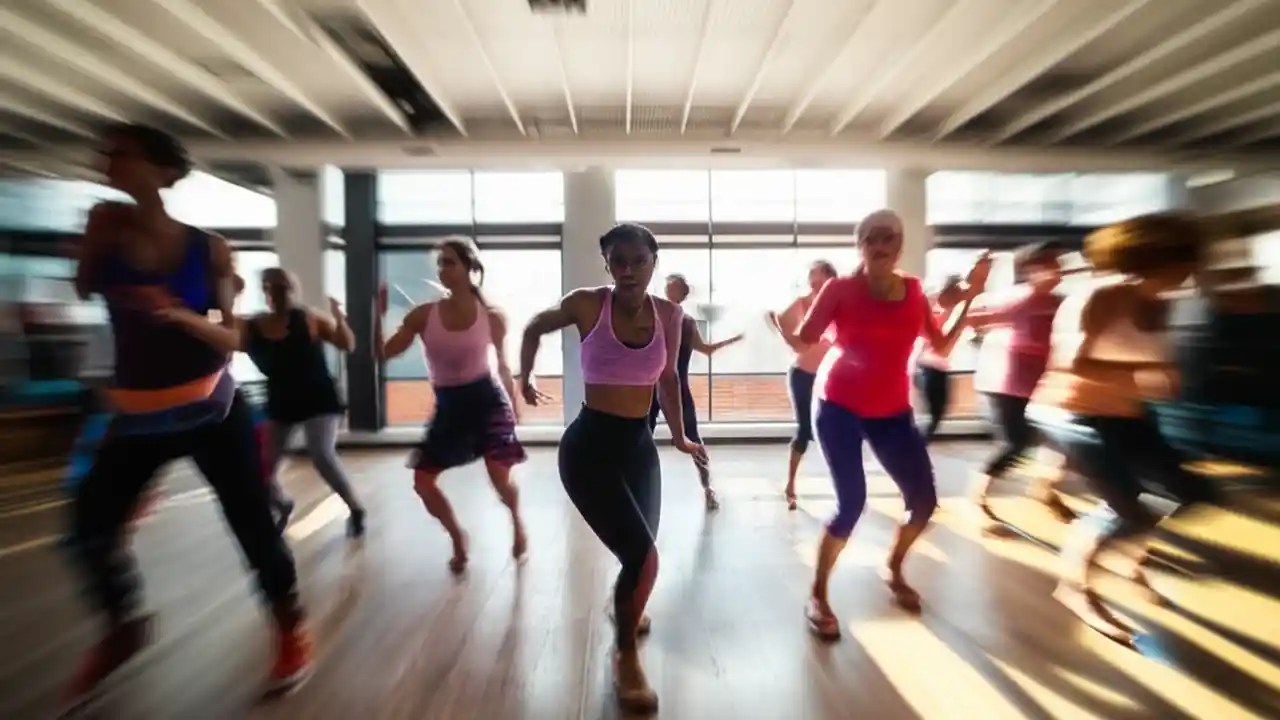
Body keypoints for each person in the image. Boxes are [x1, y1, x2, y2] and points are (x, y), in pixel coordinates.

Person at [65, 124, 309, 705]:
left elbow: (231, 338)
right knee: (89, 530)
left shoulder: (209, 248)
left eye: (119, 153)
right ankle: (124, 626)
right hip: (138, 416)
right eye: (106, 153)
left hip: (210, 410)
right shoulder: (105, 227)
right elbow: (81, 288)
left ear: (159, 168)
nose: (106, 161)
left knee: (253, 526)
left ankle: (290, 629)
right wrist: (93, 242)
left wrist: (176, 314)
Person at [519, 223, 707, 713]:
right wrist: (525, 374)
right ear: (607, 264)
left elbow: (667, 380)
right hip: (589, 448)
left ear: (653, 262)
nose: (627, 269)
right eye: (617, 260)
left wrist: (681, 435)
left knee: (638, 554)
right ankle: (625, 656)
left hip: (638, 448)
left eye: (637, 260)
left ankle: (623, 606)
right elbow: (534, 326)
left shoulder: (669, 314)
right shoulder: (588, 303)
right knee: (645, 559)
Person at [776, 210, 990, 637]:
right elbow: (805, 337)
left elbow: (943, 344)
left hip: (892, 411)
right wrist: (796, 318)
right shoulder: (839, 289)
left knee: (924, 500)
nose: (879, 244)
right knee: (851, 503)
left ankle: (893, 567)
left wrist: (971, 296)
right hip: (838, 406)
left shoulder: (914, 291)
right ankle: (818, 593)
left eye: (887, 237)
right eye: (869, 238)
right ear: (860, 245)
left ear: (899, 245)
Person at [1028, 213, 1215, 644]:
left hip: (1126, 416)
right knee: (1128, 508)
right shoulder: (1101, 296)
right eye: (1187, 259)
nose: (1192, 269)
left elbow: (1157, 374)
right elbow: (1073, 364)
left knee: (1190, 492)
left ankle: (1130, 561)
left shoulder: (1163, 305)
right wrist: (1148, 371)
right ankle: (1074, 588)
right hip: (1069, 413)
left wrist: (1160, 380)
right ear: (1160, 258)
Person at [375, 237, 526, 572]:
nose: (443, 269)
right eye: (440, 263)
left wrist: (514, 402)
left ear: (470, 269)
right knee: (422, 481)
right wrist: (377, 316)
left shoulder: (492, 317)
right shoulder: (423, 315)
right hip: (450, 406)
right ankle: (458, 538)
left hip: (487, 401)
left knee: (500, 480)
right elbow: (383, 353)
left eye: (451, 262)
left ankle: (517, 521)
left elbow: (502, 364)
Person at [242, 268, 366, 537]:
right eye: (272, 288)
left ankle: (355, 508)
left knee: (321, 453)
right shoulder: (252, 327)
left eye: (284, 288)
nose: (279, 293)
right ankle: (283, 504)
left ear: (292, 290)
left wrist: (339, 318)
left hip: (319, 398)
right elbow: (222, 340)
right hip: (281, 402)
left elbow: (348, 344)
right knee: (262, 468)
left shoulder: (309, 319)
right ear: (264, 291)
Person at [967, 243, 1071, 529]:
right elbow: (969, 317)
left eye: (1057, 265)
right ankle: (976, 498)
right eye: (1048, 265)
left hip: (1044, 385)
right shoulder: (1012, 300)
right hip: (1004, 385)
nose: (1056, 271)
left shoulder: (1060, 302)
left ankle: (1043, 491)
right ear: (1031, 270)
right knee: (1016, 444)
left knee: (1059, 441)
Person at [647, 272, 743, 510]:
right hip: (650, 387)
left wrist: (732, 340)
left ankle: (708, 488)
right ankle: (639, 487)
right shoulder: (652, 316)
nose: (669, 288)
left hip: (676, 387)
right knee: (641, 436)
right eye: (668, 285)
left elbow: (706, 349)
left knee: (692, 437)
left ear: (681, 293)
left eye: (674, 286)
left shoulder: (686, 322)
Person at [767, 259, 838, 510]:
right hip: (802, 375)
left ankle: (844, 485)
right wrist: (778, 326)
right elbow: (795, 343)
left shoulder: (837, 304)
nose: (812, 277)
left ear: (829, 276)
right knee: (805, 431)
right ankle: (790, 485)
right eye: (811, 273)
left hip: (829, 377)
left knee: (835, 429)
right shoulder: (802, 303)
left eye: (817, 272)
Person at [913, 275, 963, 440]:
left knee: (936, 414)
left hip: (933, 366)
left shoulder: (952, 309)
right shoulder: (932, 305)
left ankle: (914, 447)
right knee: (933, 416)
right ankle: (913, 449)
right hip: (927, 366)